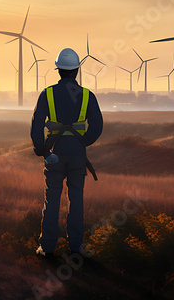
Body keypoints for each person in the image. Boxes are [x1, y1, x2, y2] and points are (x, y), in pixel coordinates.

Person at [30, 47, 103, 258]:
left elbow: (36, 125)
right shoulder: (88, 96)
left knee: (52, 200)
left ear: (58, 70)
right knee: (76, 200)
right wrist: (83, 142)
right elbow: (97, 126)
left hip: (55, 154)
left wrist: (42, 151)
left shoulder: (47, 94)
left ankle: (47, 247)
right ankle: (76, 247)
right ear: (77, 70)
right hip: (78, 155)